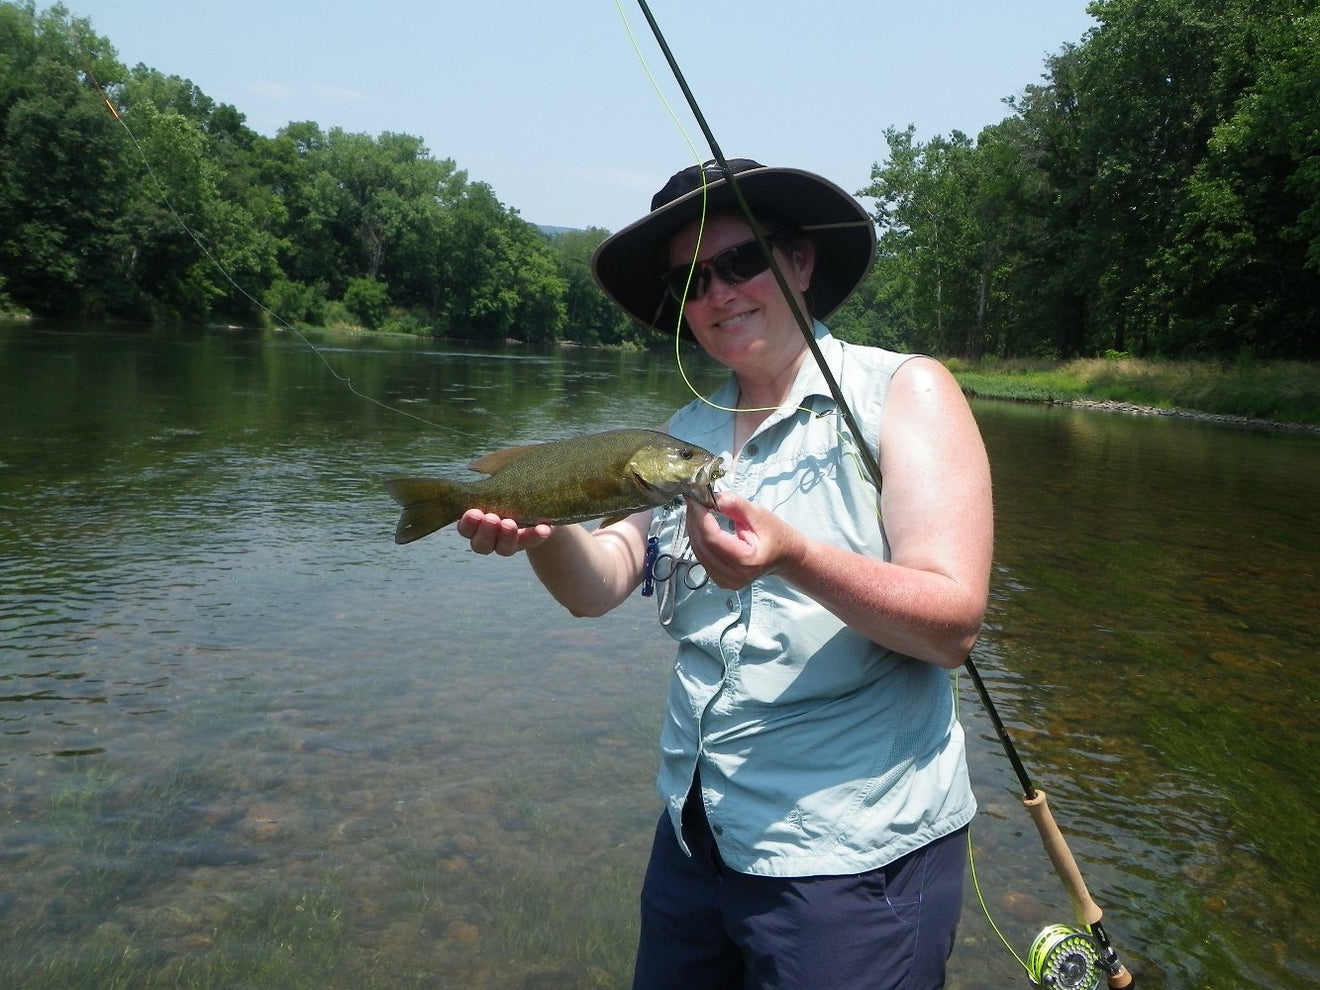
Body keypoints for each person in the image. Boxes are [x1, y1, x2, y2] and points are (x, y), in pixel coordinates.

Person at [458, 159, 993, 990]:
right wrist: (541, 533)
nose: (718, 294)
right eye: (691, 281)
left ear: (801, 262)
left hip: (850, 859)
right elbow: (603, 581)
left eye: (741, 262)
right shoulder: (682, 434)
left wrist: (795, 557)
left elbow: (952, 625)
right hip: (694, 833)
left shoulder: (905, 392)